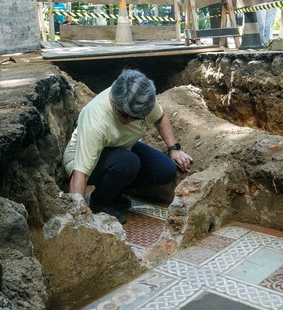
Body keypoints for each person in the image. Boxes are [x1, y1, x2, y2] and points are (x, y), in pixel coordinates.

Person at [64, 69, 193, 224]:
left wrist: (174, 149)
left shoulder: (141, 98)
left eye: (135, 117)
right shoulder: (95, 121)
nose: (128, 121)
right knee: (128, 162)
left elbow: (160, 117)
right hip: (80, 156)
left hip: (121, 148)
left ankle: (114, 191)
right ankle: (100, 202)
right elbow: (80, 174)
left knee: (165, 170)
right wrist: (78, 218)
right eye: (123, 115)